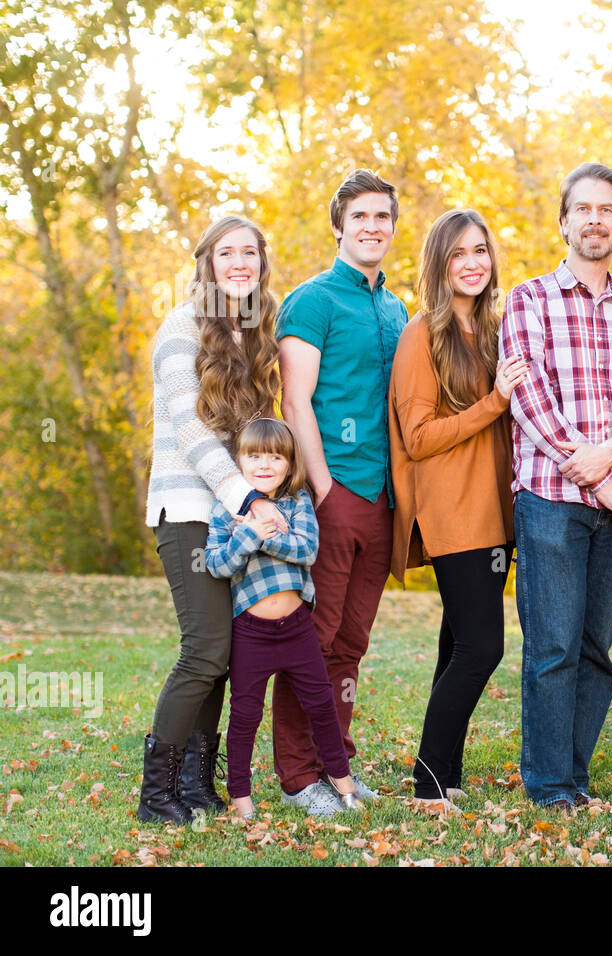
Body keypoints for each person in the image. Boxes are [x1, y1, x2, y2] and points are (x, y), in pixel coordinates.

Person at [498, 162, 612, 810]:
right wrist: (596, 477)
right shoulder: (528, 300)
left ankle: (572, 774)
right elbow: (530, 402)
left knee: (595, 650)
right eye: (583, 209)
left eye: (607, 210)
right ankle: (548, 786)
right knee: (552, 646)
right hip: (550, 500)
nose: (595, 219)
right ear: (563, 222)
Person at [141, 215, 287, 824]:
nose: (238, 263)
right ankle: (156, 792)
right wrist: (248, 500)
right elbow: (191, 428)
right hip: (189, 511)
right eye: (226, 252)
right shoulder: (181, 327)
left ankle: (198, 784)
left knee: (226, 654)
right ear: (207, 261)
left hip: (233, 519)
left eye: (248, 253)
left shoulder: (251, 333)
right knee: (204, 650)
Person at [275, 169, 408, 815]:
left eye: (382, 216)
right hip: (334, 493)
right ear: (338, 225)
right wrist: (324, 489)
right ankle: (299, 775)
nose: (372, 226)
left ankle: (338, 764)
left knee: (351, 643)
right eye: (360, 216)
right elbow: (295, 401)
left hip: (384, 499)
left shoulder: (396, 308)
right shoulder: (311, 301)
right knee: (315, 637)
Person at [389, 209, 528, 811]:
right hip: (453, 510)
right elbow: (417, 436)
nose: (473, 264)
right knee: (482, 648)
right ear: (439, 265)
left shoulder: (497, 328)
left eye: (481, 251)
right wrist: (494, 403)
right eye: (458, 254)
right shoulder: (423, 333)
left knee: (456, 645)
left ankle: (442, 776)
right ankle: (426, 780)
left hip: (497, 510)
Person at [205, 418, 362, 819]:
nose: (264, 464)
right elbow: (217, 563)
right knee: (245, 714)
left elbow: (307, 549)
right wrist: (249, 534)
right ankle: (240, 795)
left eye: (275, 457)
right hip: (251, 633)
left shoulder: (298, 503)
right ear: (239, 463)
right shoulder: (226, 511)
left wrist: (266, 533)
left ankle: (342, 781)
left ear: (290, 464)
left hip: (296, 628)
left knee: (322, 704)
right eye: (254, 456)